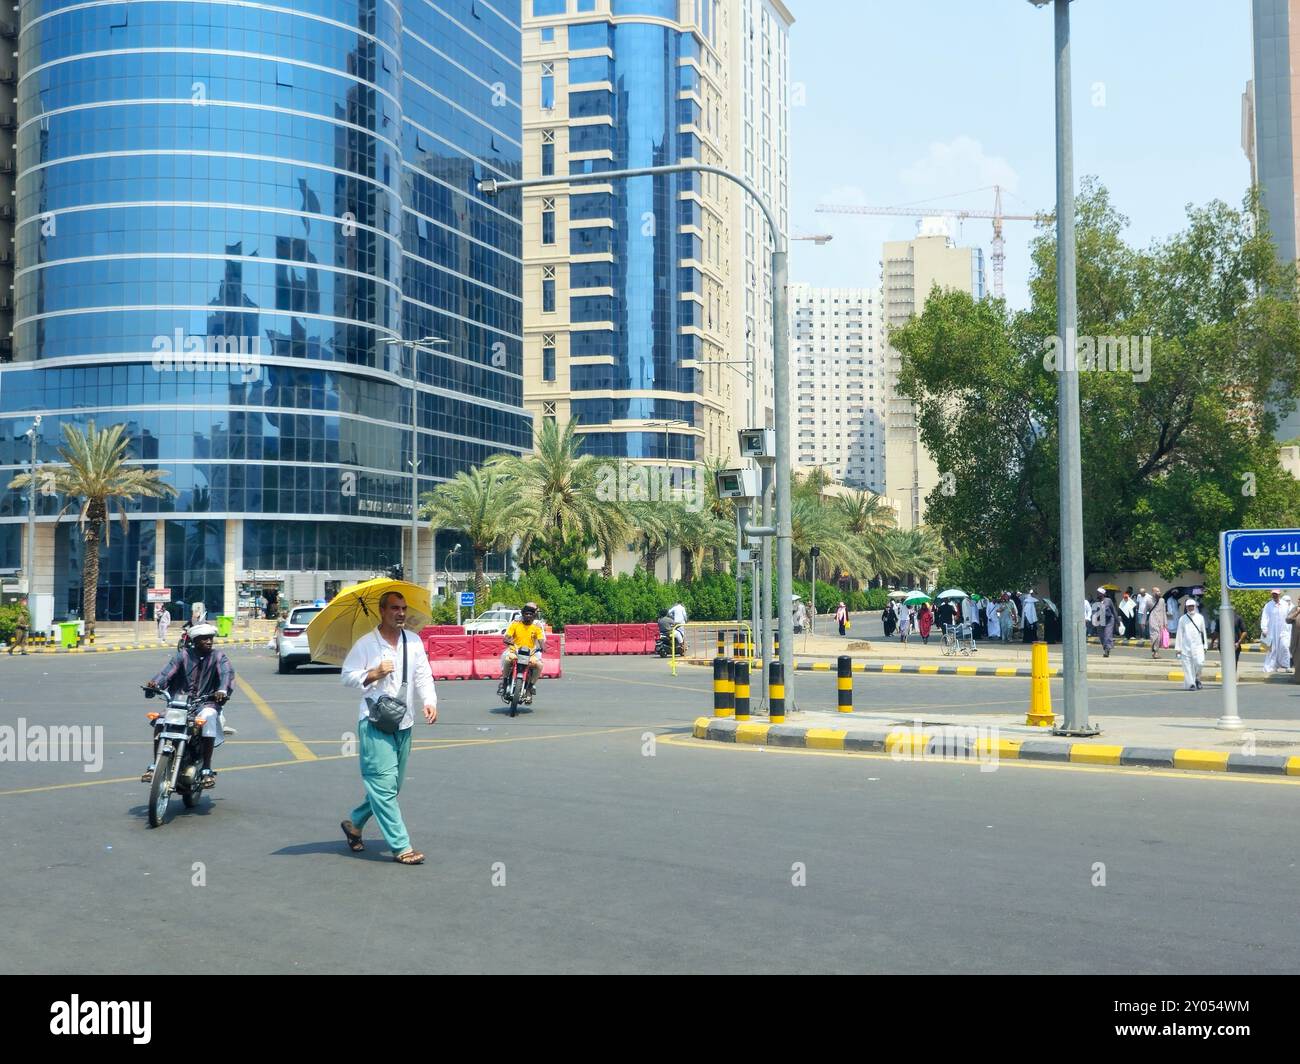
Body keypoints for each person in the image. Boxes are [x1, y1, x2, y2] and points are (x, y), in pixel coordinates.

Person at [340, 590, 437, 866]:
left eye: (404, 608)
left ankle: (355, 823)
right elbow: (346, 676)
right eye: (395, 608)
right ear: (382, 611)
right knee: (382, 787)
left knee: (391, 787)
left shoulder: (414, 642)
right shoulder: (366, 644)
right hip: (374, 723)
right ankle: (401, 846)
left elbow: (423, 676)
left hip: (403, 722)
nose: (401, 613)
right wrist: (372, 674)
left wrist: (429, 701)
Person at [141, 622, 234, 788]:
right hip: (179, 703)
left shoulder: (219, 657)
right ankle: (155, 764)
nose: (208, 641)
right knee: (161, 722)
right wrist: (155, 684)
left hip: (206, 703)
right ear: (195, 640)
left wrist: (221, 691)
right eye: (204, 639)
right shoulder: (182, 656)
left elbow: (226, 675)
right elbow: (166, 673)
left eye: (210, 638)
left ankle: (206, 768)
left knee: (209, 716)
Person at [499, 602, 547, 701]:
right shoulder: (516, 623)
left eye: (531, 613)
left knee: (539, 665)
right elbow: (507, 636)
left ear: (534, 614)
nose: (528, 615)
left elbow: (541, 640)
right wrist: (507, 640)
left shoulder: (537, 626)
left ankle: (530, 687)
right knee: (507, 659)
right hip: (515, 651)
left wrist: (543, 647)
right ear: (523, 613)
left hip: (531, 653)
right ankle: (504, 682)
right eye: (526, 613)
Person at [1175, 598, 1208, 690]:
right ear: (1186, 607)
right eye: (1189, 606)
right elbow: (1179, 634)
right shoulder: (1182, 619)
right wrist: (1178, 648)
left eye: (1192, 606)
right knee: (1188, 666)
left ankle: (1197, 678)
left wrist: (1205, 645)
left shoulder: (1200, 617)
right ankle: (1191, 684)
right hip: (1186, 646)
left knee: (1200, 663)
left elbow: (1203, 632)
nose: (1190, 608)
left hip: (1198, 646)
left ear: (1195, 606)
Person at [1261, 589, 1293, 674]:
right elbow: (1265, 617)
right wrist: (1264, 628)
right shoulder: (1268, 605)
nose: (1275, 596)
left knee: (1285, 646)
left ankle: (1287, 666)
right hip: (1272, 630)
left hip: (1284, 630)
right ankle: (1272, 666)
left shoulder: (1285, 604)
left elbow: (1290, 615)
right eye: (1273, 594)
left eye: (1276, 594)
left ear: (1279, 594)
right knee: (1272, 649)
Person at [1091, 589, 1117, 657]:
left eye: (1099, 593)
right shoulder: (1096, 602)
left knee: (1107, 634)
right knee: (1102, 636)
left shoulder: (1108, 600)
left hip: (1109, 620)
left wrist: (1118, 621)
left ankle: (1107, 650)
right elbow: (1094, 612)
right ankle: (1105, 648)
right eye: (1097, 593)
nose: (1097, 594)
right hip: (1100, 621)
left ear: (1103, 594)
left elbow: (1113, 610)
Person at [1147, 586, 1167, 658]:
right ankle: (1155, 652)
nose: (1159, 592)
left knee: (1159, 636)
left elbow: (1164, 611)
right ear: (1153, 592)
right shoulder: (1149, 600)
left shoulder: (1162, 600)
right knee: (1155, 635)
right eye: (1157, 591)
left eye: (1159, 591)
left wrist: (1165, 622)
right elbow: (1144, 611)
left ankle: (1155, 650)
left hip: (1160, 620)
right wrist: (1143, 621)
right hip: (1152, 619)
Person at [1287, 596, 1300, 685]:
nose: (1299, 601)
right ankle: (1298, 679)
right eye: (1299, 599)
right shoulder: (1294, 609)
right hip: (1296, 640)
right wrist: (1297, 612)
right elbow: (1288, 620)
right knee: (1297, 659)